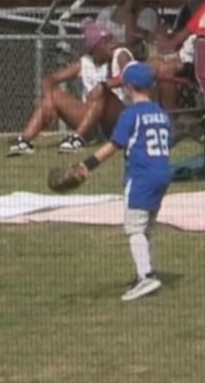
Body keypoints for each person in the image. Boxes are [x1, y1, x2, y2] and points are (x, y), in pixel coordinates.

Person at [73, 62, 173, 302]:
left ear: (128, 87)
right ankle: (149, 269)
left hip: (141, 175)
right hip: (163, 173)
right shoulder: (161, 113)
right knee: (146, 226)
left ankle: (146, 276)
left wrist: (88, 165)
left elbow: (114, 145)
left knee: (135, 228)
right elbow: (169, 141)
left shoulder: (130, 115)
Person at [9, 20, 136, 156]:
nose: (111, 45)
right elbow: (50, 80)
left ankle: (77, 138)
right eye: (105, 42)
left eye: (110, 40)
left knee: (102, 91)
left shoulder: (121, 54)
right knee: (55, 95)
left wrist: (104, 86)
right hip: (92, 119)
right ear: (94, 48)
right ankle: (25, 141)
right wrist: (48, 101)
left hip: (119, 117)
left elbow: (129, 75)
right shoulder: (85, 63)